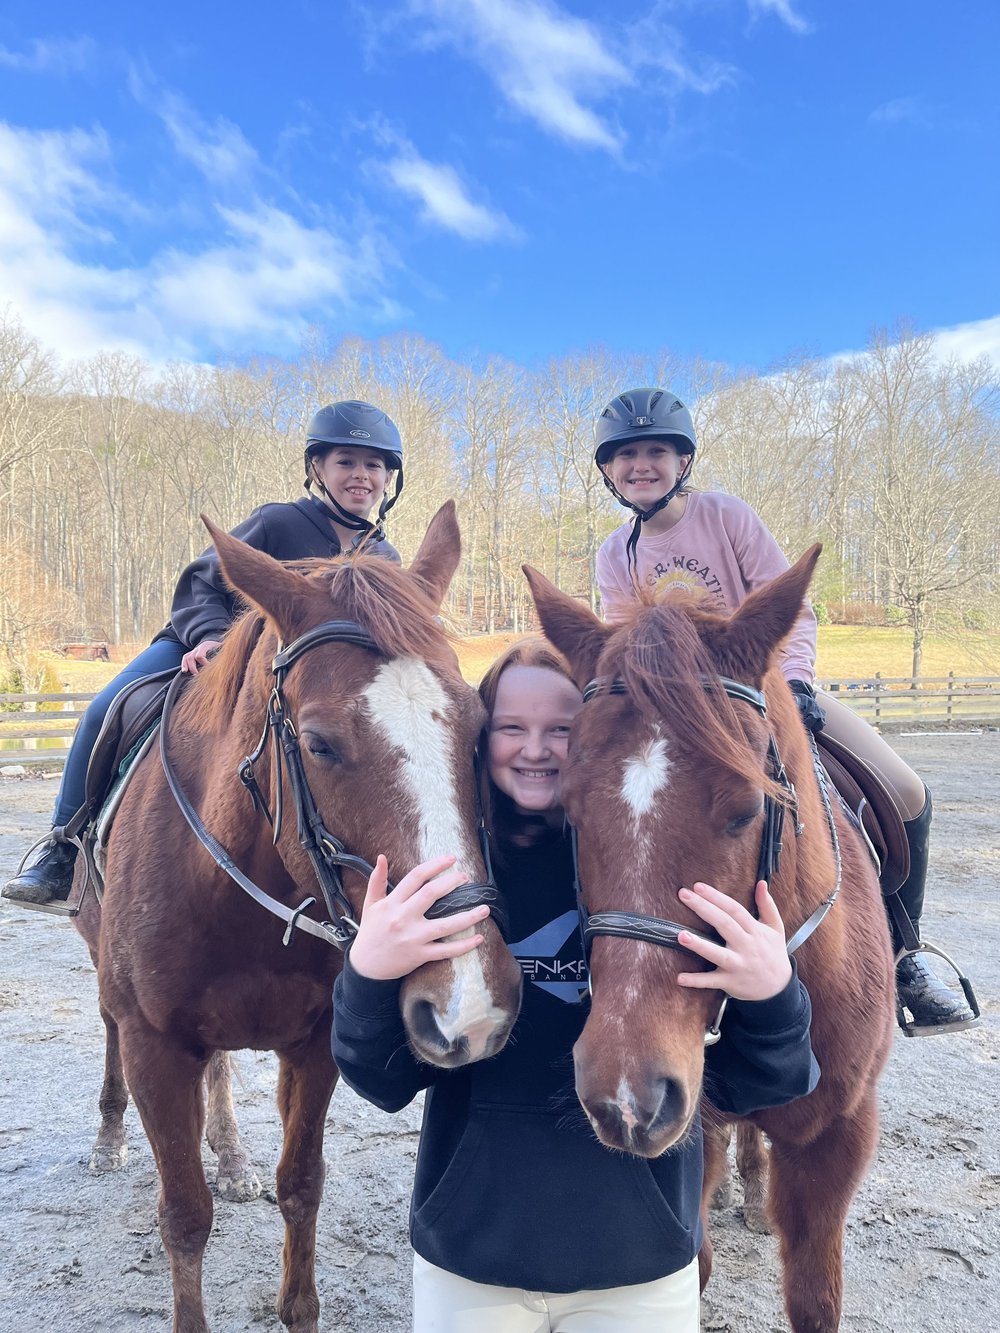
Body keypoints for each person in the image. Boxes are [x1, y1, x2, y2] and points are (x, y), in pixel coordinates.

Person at [331, 638, 818, 1332]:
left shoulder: (653, 863)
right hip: (471, 1260)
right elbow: (382, 1081)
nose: (536, 748)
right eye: (511, 727)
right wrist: (367, 974)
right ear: (480, 735)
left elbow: (758, 1084)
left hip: (639, 1266)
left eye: (560, 728)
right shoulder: (444, 877)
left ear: (592, 731)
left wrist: (774, 994)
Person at [592, 386, 978, 1036]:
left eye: (655, 452)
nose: (640, 466)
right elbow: (622, 645)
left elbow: (788, 605)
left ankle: (906, 955)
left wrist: (794, 682)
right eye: (626, 456)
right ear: (607, 469)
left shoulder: (725, 516)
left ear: (682, 461)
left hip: (765, 685)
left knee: (908, 791)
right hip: (680, 714)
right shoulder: (614, 553)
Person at [3, 400, 405, 906]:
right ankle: (62, 846)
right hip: (204, 646)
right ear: (317, 468)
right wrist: (209, 637)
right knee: (109, 706)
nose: (362, 475)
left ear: (389, 478)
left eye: (375, 465)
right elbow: (202, 580)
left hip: (296, 680)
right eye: (346, 461)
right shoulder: (278, 522)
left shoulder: (384, 557)